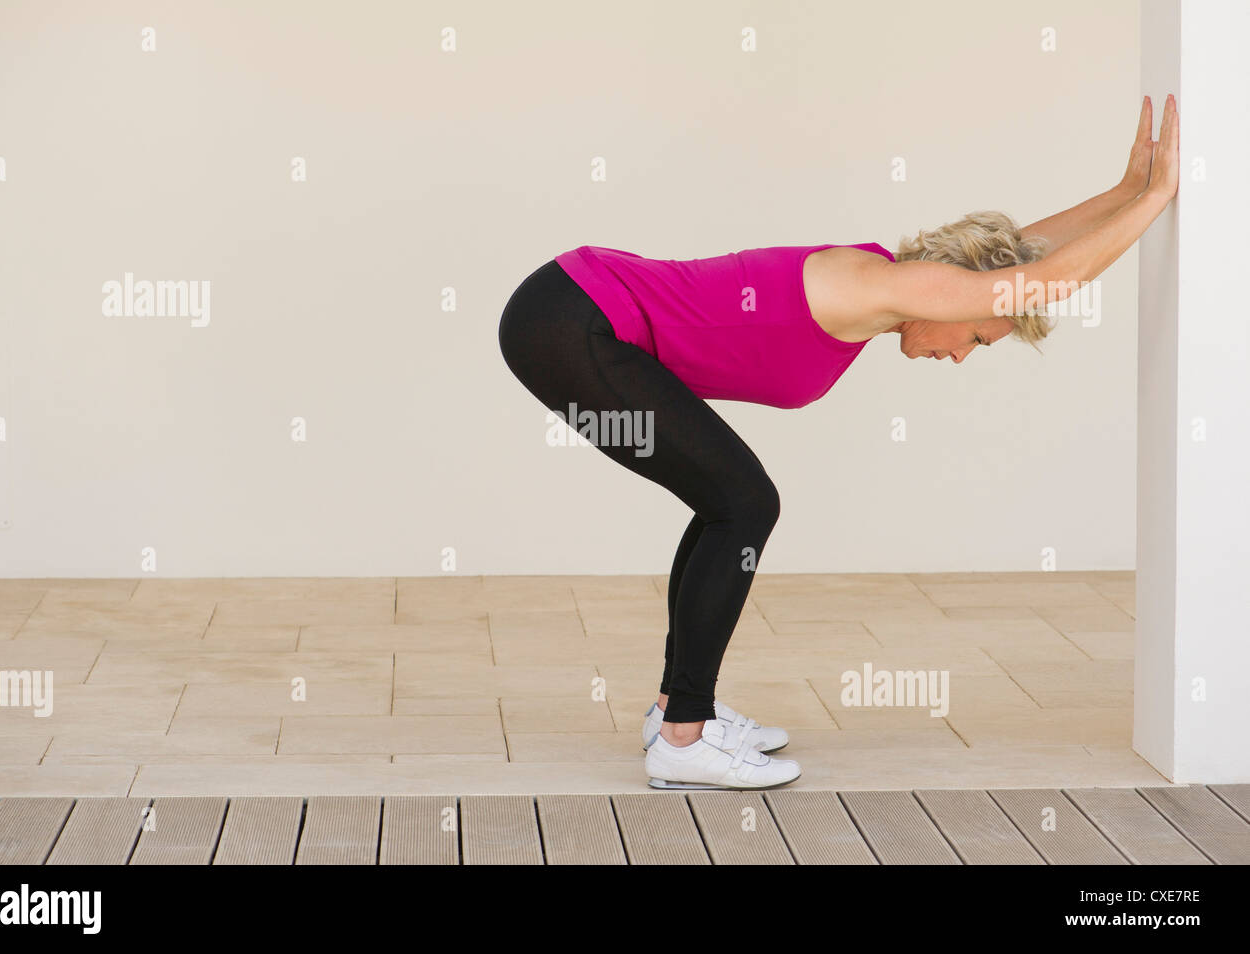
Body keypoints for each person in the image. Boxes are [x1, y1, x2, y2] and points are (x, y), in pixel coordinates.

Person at [497, 95, 1178, 790]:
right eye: (976, 335)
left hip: (572, 311)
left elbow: (1023, 260)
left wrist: (1121, 192)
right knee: (743, 502)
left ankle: (679, 710)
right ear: (956, 293)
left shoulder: (889, 286)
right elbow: (1035, 282)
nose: (965, 353)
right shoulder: (885, 283)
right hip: (573, 320)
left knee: (726, 501)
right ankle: (682, 738)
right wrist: (1156, 200)